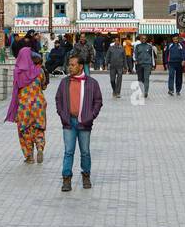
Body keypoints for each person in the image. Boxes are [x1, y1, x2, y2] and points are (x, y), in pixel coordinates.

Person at [54, 51, 104, 192]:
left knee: (85, 152)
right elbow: (58, 99)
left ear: (81, 66)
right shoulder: (64, 82)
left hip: (84, 123)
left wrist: (90, 116)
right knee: (68, 151)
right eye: (69, 65)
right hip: (68, 122)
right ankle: (66, 179)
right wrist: (62, 115)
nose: (70, 67)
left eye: (73, 65)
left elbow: (98, 101)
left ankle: (86, 175)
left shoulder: (92, 83)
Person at [7, 46, 49, 163]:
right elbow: (44, 85)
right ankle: (40, 148)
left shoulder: (18, 72)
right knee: (38, 128)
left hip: (24, 105)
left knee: (25, 130)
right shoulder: (39, 70)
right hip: (39, 104)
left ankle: (29, 156)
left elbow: (16, 88)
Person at [105, 35, 126, 99]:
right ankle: (114, 90)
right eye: (115, 40)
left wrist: (125, 67)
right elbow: (107, 56)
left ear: (119, 41)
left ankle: (118, 93)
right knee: (112, 80)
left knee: (119, 80)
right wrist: (106, 64)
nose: (117, 41)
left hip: (120, 66)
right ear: (114, 41)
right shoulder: (111, 48)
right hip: (112, 66)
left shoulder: (122, 48)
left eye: (118, 40)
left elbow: (124, 58)